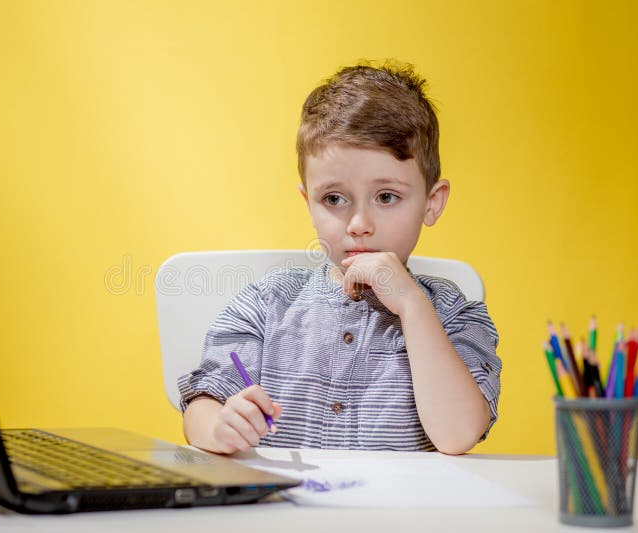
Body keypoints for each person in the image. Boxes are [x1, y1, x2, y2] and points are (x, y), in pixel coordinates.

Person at [178, 61, 501, 455]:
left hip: (402, 516)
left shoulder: (452, 314)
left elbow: (458, 433)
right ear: (308, 203)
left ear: (432, 204)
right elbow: (202, 403)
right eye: (334, 199)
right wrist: (219, 427)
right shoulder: (265, 305)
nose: (360, 223)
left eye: (386, 197)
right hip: (285, 512)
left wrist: (413, 307)